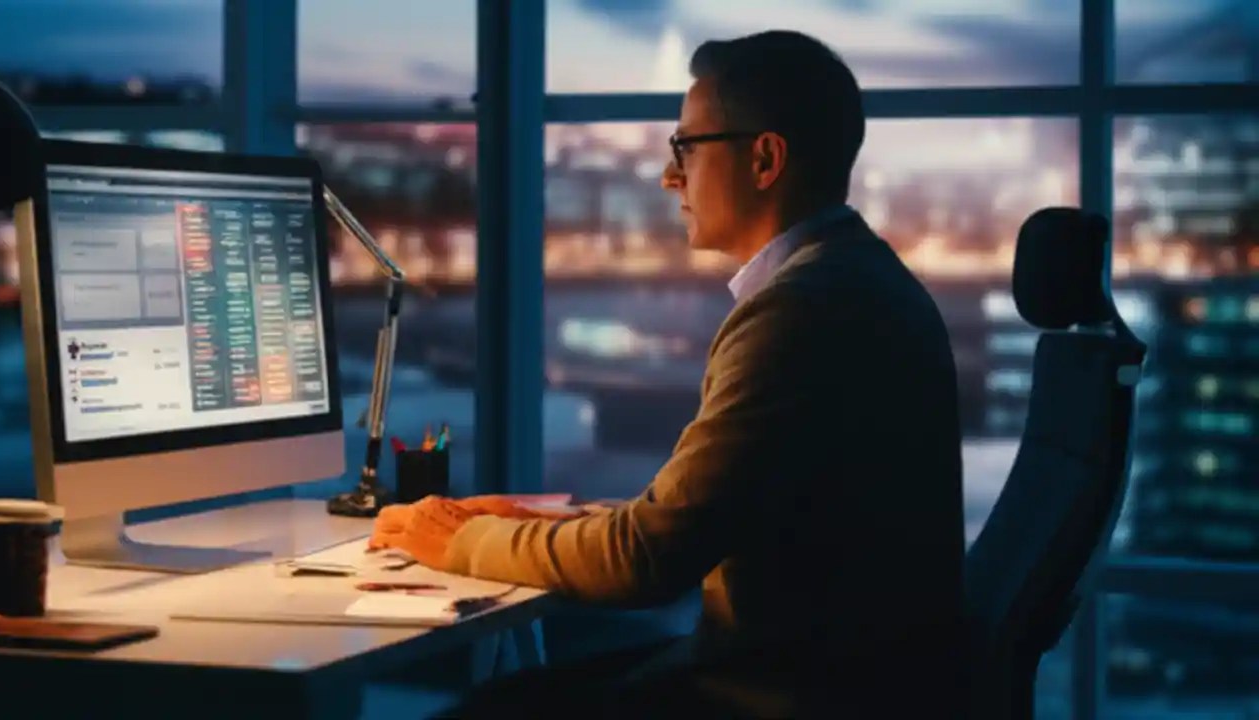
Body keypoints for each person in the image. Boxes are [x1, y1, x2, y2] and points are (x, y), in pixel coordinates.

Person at [371, 30, 966, 717]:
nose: (668, 176)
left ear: (765, 158)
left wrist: (458, 540)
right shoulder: (855, 278)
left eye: (686, 147)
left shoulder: (801, 312)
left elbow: (647, 561)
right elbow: (701, 520)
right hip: (841, 679)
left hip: (784, 694)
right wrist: (538, 520)